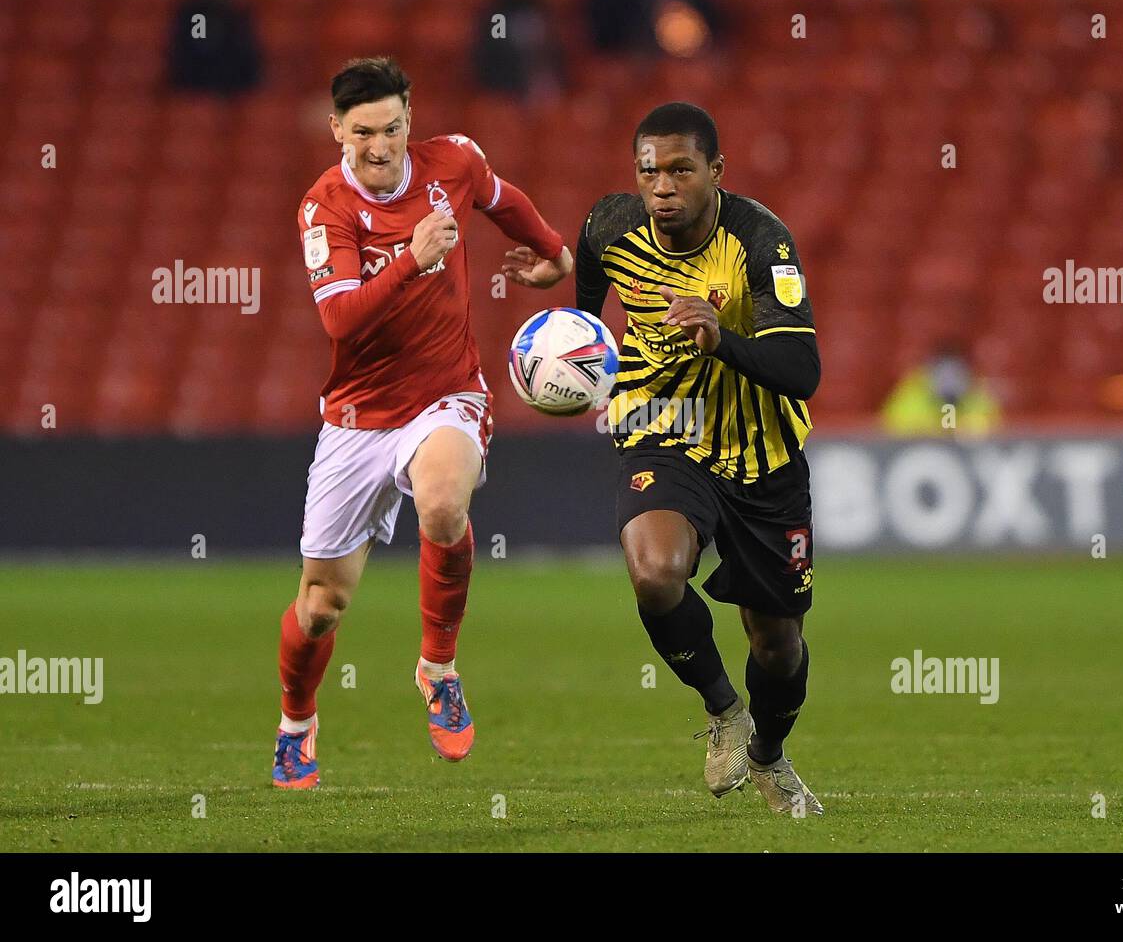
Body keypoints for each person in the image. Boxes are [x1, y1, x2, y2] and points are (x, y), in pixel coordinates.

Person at [274, 58, 573, 788]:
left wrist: (554, 250)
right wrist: (412, 260)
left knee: (443, 503)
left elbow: (504, 199)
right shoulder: (326, 208)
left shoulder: (455, 162)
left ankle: (437, 667)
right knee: (320, 608)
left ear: (412, 116)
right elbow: (339, 318)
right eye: (364, 133)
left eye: (394, 128)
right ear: (339, 130)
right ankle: (297, 720)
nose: (380, 147)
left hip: (446, 395)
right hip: (356, 417)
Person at [547, 102, 823, 814]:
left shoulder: (761, 242)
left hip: (762, 455)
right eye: (648, 172)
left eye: (679, 170)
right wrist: (573, 361)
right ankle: (725, 712)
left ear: (715, 172)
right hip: (662, 431)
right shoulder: (608, 226)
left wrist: (719, 337)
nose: (661, 186)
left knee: (779, 648)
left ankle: (768, 751)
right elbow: (585, 312)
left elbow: (802, 368)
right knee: (656, 571)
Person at [881, 340, 1001, 435]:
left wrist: (959, 421)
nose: (949, 381)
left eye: (956, 374)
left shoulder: (977, 395)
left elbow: (994, 427)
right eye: (943, 373)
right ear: (930, 372)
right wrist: (938, 428)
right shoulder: (912, 393)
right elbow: (895, 429)